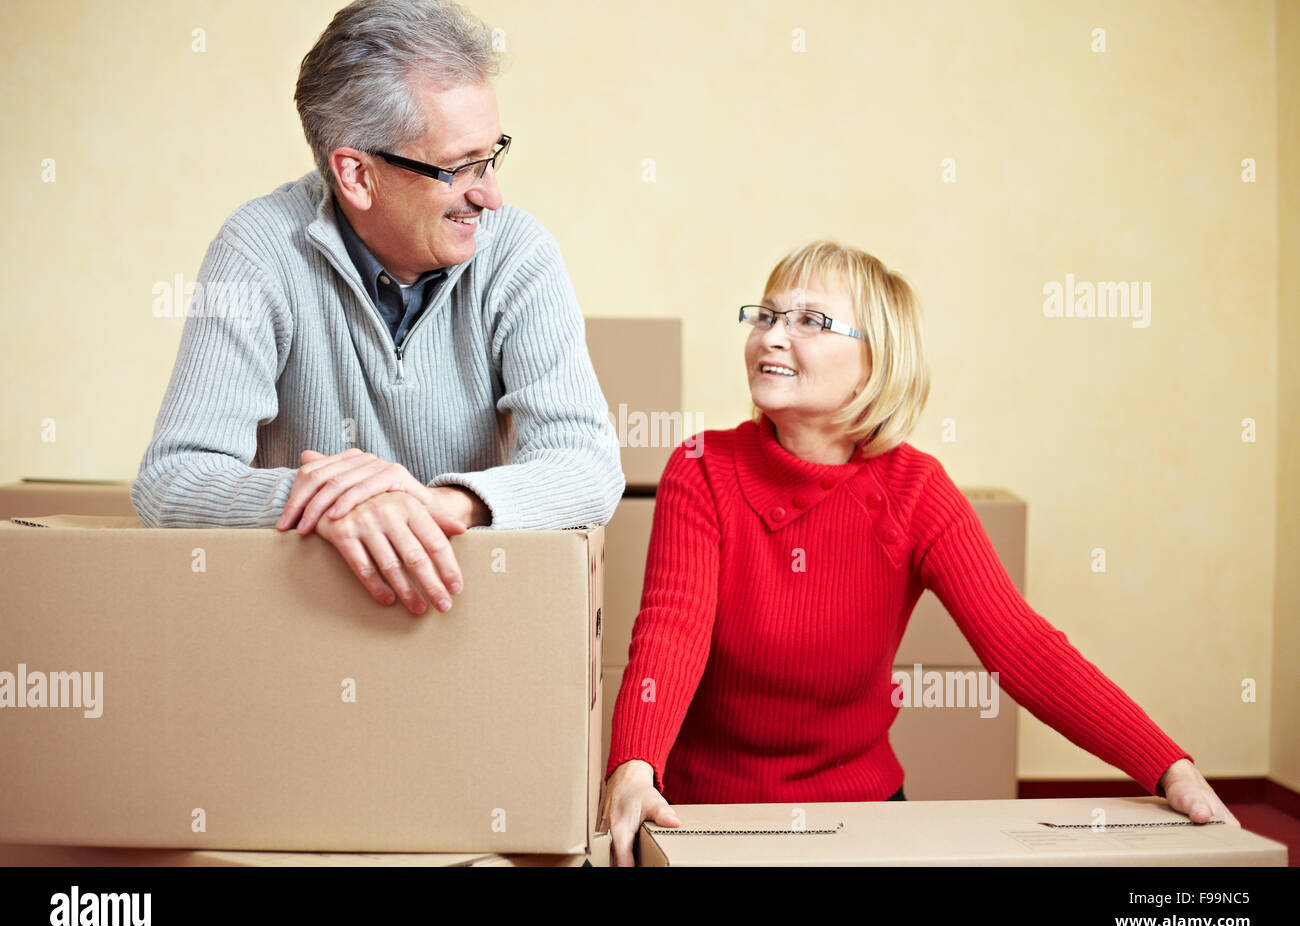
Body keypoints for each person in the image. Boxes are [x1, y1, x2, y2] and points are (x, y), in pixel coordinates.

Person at [599, 240, 1238, 866]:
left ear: (877, 363)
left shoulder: (916, 490)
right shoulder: (700, 467)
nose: (771, 335)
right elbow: (671, 632)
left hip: (863, 818)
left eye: (809, 321)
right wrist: (634, 768)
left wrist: (1167, 766)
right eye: (765, 315)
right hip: (706, 820)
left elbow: (1020, 645)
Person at [130, 0, 623, 616]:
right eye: (459, 166)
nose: (491, 193)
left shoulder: (518, 253)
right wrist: (335, 502)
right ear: (357, 175)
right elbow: (170, 481)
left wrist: (432, 503)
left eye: (491, 154)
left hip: (465, 623)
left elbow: (587, 467)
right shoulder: (257, 250)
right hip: (299, 623)